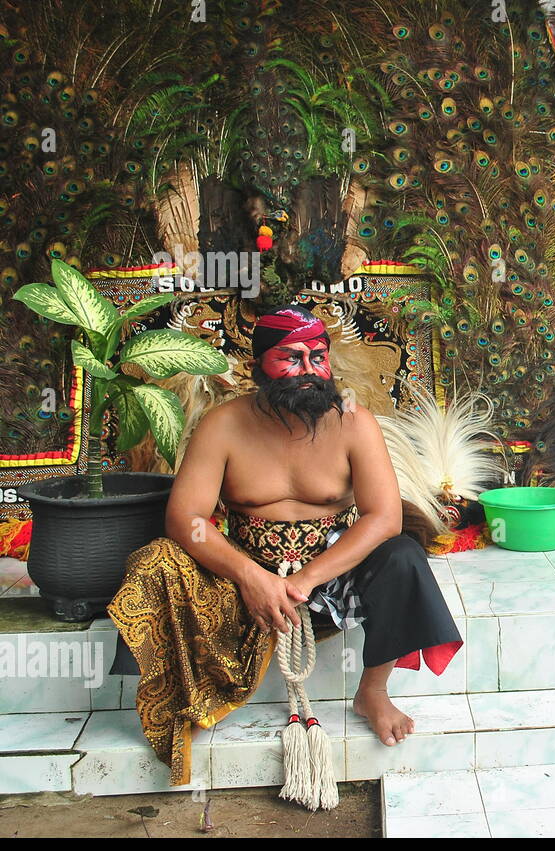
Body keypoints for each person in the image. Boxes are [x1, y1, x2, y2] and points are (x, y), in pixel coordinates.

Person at [107, 304, 462, 786]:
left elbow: (383, 518)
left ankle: (373, 691)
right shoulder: (224, 424)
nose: (309, 371)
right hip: (244, 578)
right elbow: (185, 520)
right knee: (154, 561)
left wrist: (303, 581)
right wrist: (251, 577)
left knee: (403, 554)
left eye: (319, 357)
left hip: (333, 577)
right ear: (258, 366)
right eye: (290, 358)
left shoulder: (354, 423)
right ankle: (179, 696)